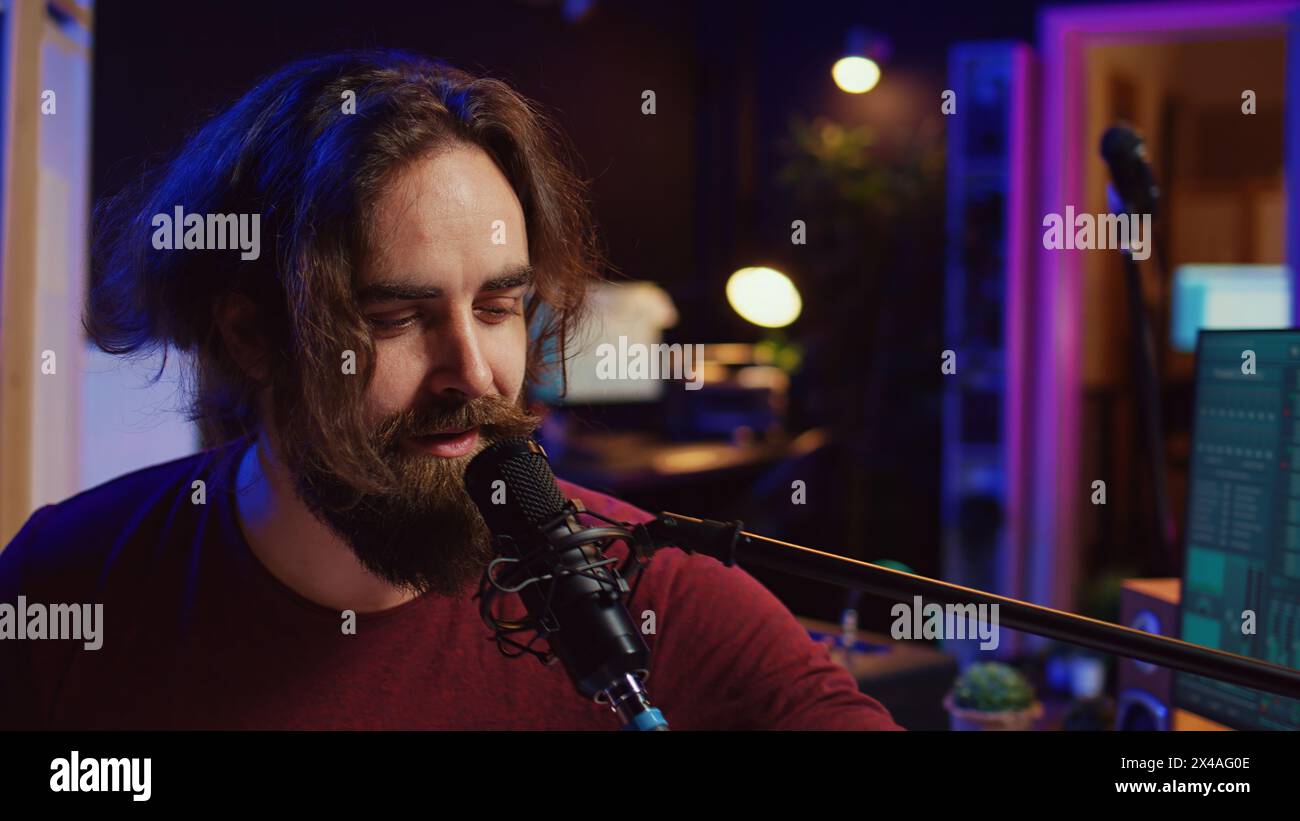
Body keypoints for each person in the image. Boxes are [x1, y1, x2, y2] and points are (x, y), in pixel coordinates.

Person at [0, 50, 902, 730]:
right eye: (398, 317)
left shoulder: (660, 598)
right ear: (251, 336)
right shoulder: (71, 578)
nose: (474, 371)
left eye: (499, 306)